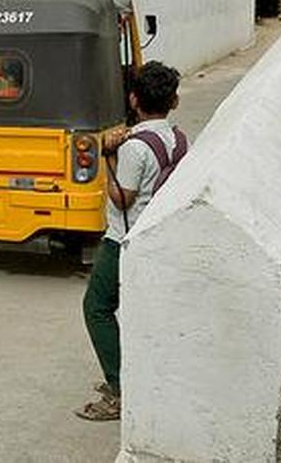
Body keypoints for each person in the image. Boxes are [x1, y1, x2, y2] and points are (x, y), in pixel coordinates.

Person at [76, 61, 185, 422]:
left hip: (124, 240)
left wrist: (108, 156)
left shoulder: (133, 147)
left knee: (97, 308)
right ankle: (136, 378)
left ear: (134, 99)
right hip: (161, 238)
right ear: (174, 101)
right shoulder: (179, 139)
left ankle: (121, 389)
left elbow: (122, 197)